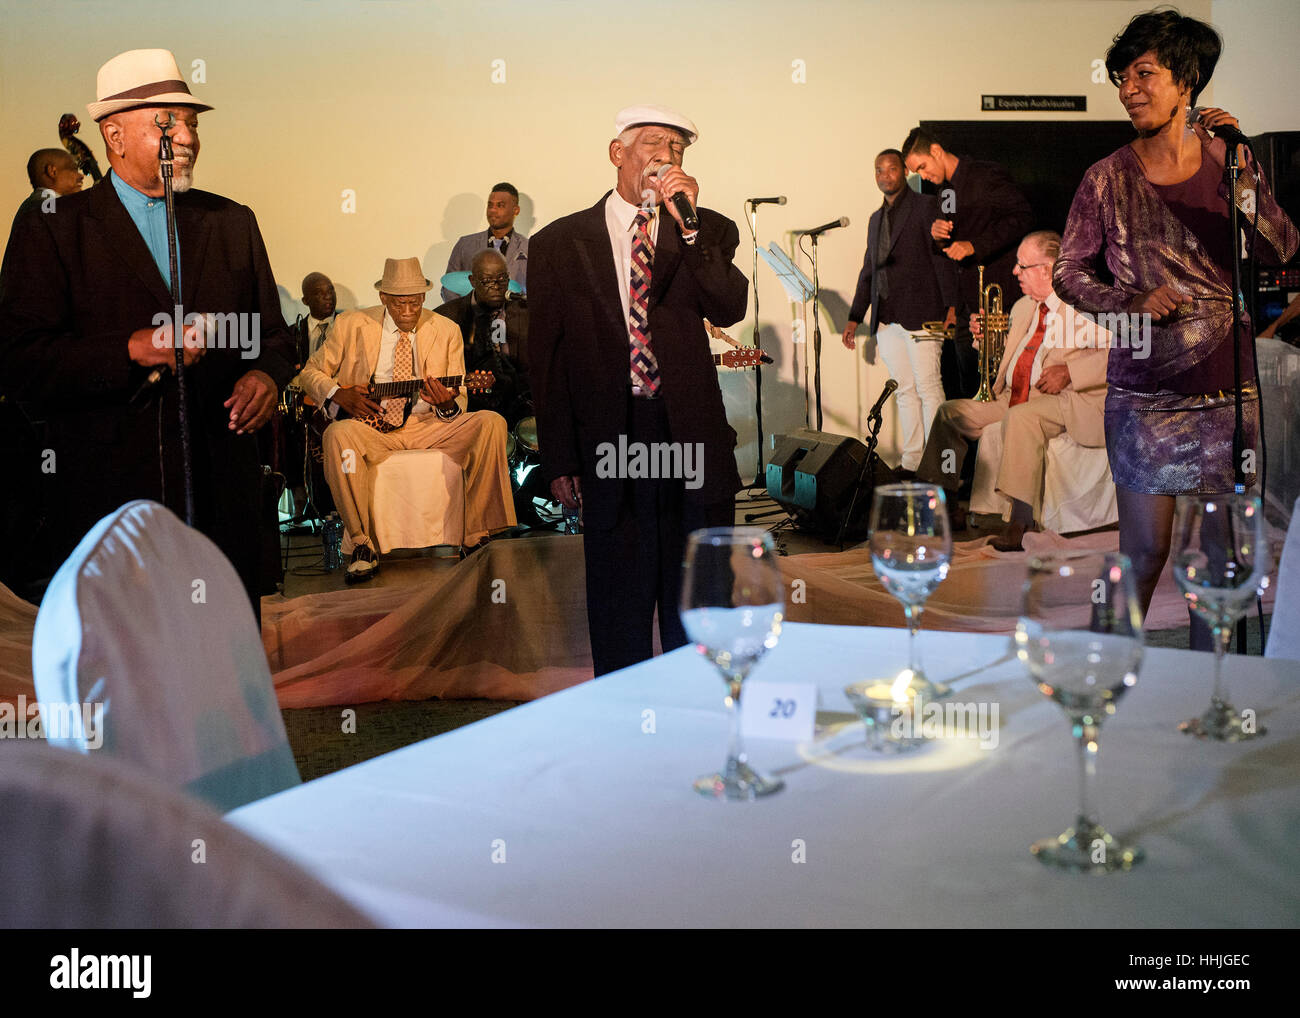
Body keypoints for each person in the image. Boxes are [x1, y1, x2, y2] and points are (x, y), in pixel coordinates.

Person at [0, 49, 296, 613]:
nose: (186, 134)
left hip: (219, 503)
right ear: (113, 135)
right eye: (166, 120)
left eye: (191, 122)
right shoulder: (55, 228)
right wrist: (131, 348)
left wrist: (265, 374)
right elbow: (21, 361)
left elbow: (273, 335)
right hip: (109, 507)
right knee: (130, 688)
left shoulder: (232, 222)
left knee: (222, 684)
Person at [1053, 9, 1298, 621]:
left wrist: (1242, 176)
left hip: (1226, 389)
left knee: (1220, 564)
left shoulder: (1230, 163)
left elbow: (1281, 248)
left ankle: (1208, 700)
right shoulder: (1105, 178)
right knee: (1142, 554)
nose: (1127, 89)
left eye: (1144, 73)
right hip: (1144, 389)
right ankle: (1106, 688)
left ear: (1186, 80)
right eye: (1121, 77)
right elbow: (1068, 273)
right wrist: (1128, 302)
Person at [529, 104, 748, 676]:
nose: (666, 155)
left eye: (677, 148)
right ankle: (624, 734)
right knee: (619, 602)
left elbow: (729, 305)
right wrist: (559, 457)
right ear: (616, 153)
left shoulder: (708, 229)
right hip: (611, 438)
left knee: (697, 604)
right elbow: (546, 361)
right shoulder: (558, 243)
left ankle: (699, 723)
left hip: (689, 437)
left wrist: (690, 227)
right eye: (654, 142)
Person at [295, 257, 516, 583]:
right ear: (384, 298)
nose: (409, 310)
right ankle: (361, 543)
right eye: (400, 303)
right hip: (374, 428)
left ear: (424, 298)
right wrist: (338, 394)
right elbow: (309, 373)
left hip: (430, 426)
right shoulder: (351, 325)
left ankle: (475, 534)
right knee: (337, 436)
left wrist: (445, 403)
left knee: (491, 423)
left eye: (415, 301)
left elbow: (461, 404)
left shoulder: (446, 330)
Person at [915, 231, 1110, 550]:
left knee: (1021, 417)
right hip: (1013, 395)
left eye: (1023, 266)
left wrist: (1069, 371)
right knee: (949, 413)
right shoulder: (1023, 307)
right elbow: (1009, 357)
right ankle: (944, 506)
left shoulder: (1085, 305)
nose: (1014, 272)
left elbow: (1119, 354)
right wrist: (983, 337)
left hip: (1063, 399)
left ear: (1047, 269)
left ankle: (1020, 523)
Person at [841, 148, 958, 471]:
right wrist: (855, 317)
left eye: (891, 169)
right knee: (905, 390)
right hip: (887, 318)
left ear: (903, 172)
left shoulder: (925, 206)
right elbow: (870, 269)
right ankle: (912, 461)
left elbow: (940, 256)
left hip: (925, 313)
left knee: (929, 387)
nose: (885, 176)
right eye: (879, 171)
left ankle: (937, 464)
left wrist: (951, 305)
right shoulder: (875, 219)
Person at [901, 127, 1033, 399]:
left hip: (999, 298)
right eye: (918, 172)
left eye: (923, 167)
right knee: (968, 387)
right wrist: (938, 236)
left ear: (936, 151)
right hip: (965, 305)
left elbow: (1021, 217)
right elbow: (950, 242)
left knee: (1001, 385)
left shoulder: (985, 174)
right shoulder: (945, 191)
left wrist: (976, 245)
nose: (923, 176)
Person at [434, 249, 530, 425]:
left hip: (520, 410)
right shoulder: (446, 317)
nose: (496, 286)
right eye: (487, 281)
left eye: (502, 279)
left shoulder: (524, 313)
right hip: (467, 413)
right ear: (472, 281)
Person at [441, 183, 528, 302]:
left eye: (500, 205)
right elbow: (449, 286)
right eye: (490, 205)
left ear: (516, 210)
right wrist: (465, 313)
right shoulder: (465, 244)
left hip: (514, 317)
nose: (493, 210)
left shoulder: (528, 247)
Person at [292, 272, 338, 367]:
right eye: (319, 293)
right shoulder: (292, 333)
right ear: (305, 301)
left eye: (330, 291)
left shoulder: (349, 327)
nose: (328, 297)